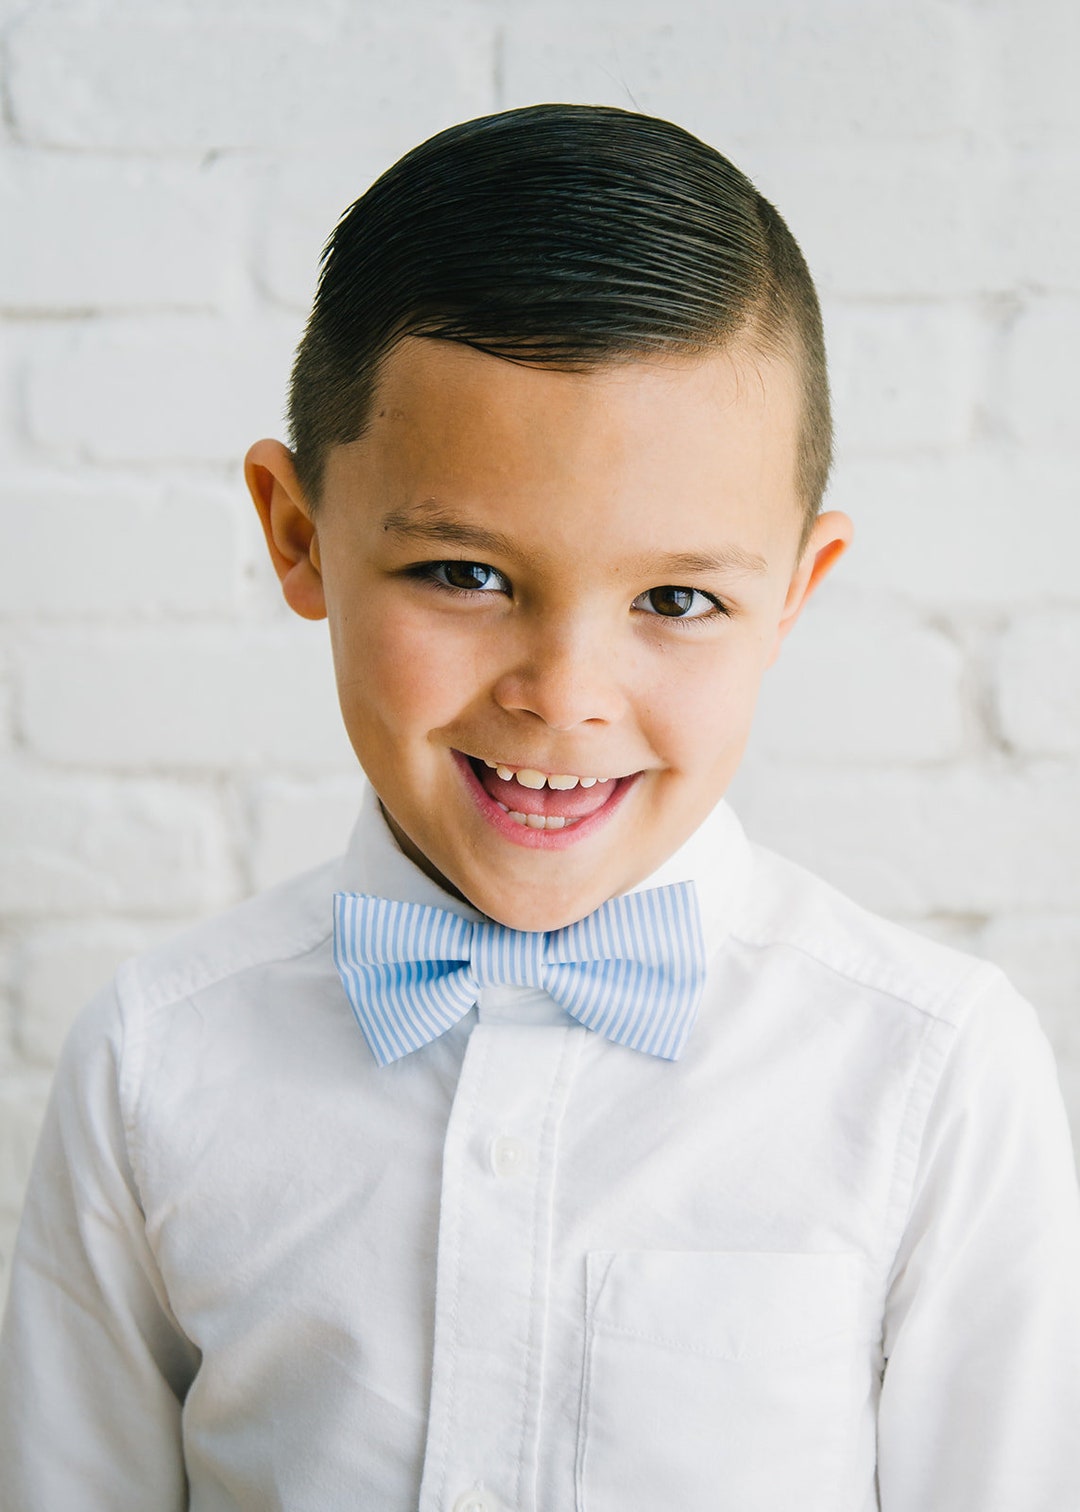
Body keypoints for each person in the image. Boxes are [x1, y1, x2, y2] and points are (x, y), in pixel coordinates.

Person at [1, 104, 1077, 1512]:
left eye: (677, 600)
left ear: (797, 594)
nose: (564, 694)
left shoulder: (935, 1080)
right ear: (296, 532)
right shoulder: (153, 1065)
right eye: (462, 573)